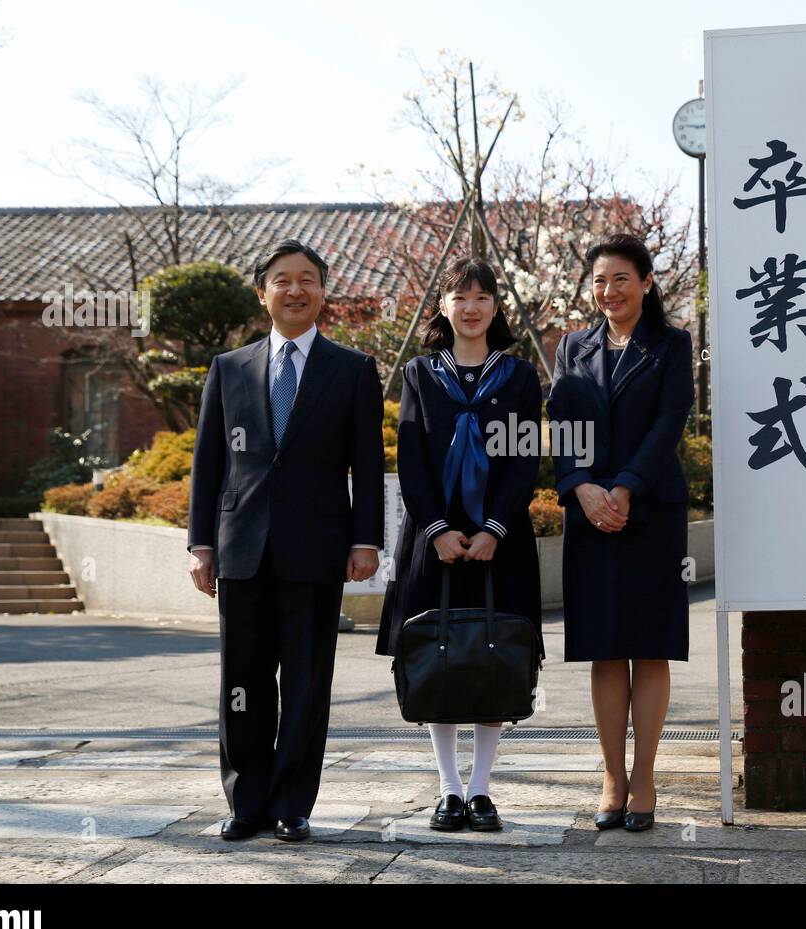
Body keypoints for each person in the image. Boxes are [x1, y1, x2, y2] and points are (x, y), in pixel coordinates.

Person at [187, 239, 385, 842]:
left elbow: (367, 465)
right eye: (282, 280)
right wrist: (201, 545)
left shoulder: (352, 370)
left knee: (305, 680)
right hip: (242, 548)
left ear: (323, 292)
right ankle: (246, 802)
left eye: (307, 280)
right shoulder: (229, 368)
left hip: (316, 548)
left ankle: (294, 802)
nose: (295, 290)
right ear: (262, 292)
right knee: (242, 683)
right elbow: (208, 463)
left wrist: (365, 540)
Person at [376, 257, 543, 833]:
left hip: (502, 539)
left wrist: (495, 528)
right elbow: (412, 457)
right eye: (460, 297)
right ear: (443, 307)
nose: (471, 307)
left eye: (482, 297)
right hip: (434, 538)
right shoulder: (421, 374)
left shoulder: (519, 377)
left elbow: (525, 459)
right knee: (437, 655)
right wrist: (438, 530)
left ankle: (481, 790)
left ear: (496, 308)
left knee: (494, 654)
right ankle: (447, 789)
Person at [547, 233, 694, 832]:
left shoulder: (673, 345)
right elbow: (561, 424)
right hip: (590, 513)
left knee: (650, 645)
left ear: (647, 282)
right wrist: (580, 487)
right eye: (600, 281)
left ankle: (646, 777)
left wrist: (627, 486)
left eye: (621, 279)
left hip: (652, 509)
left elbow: (670, 422)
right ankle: (611, 775)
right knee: (605, 648)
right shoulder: (571, 348)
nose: (609, 291)